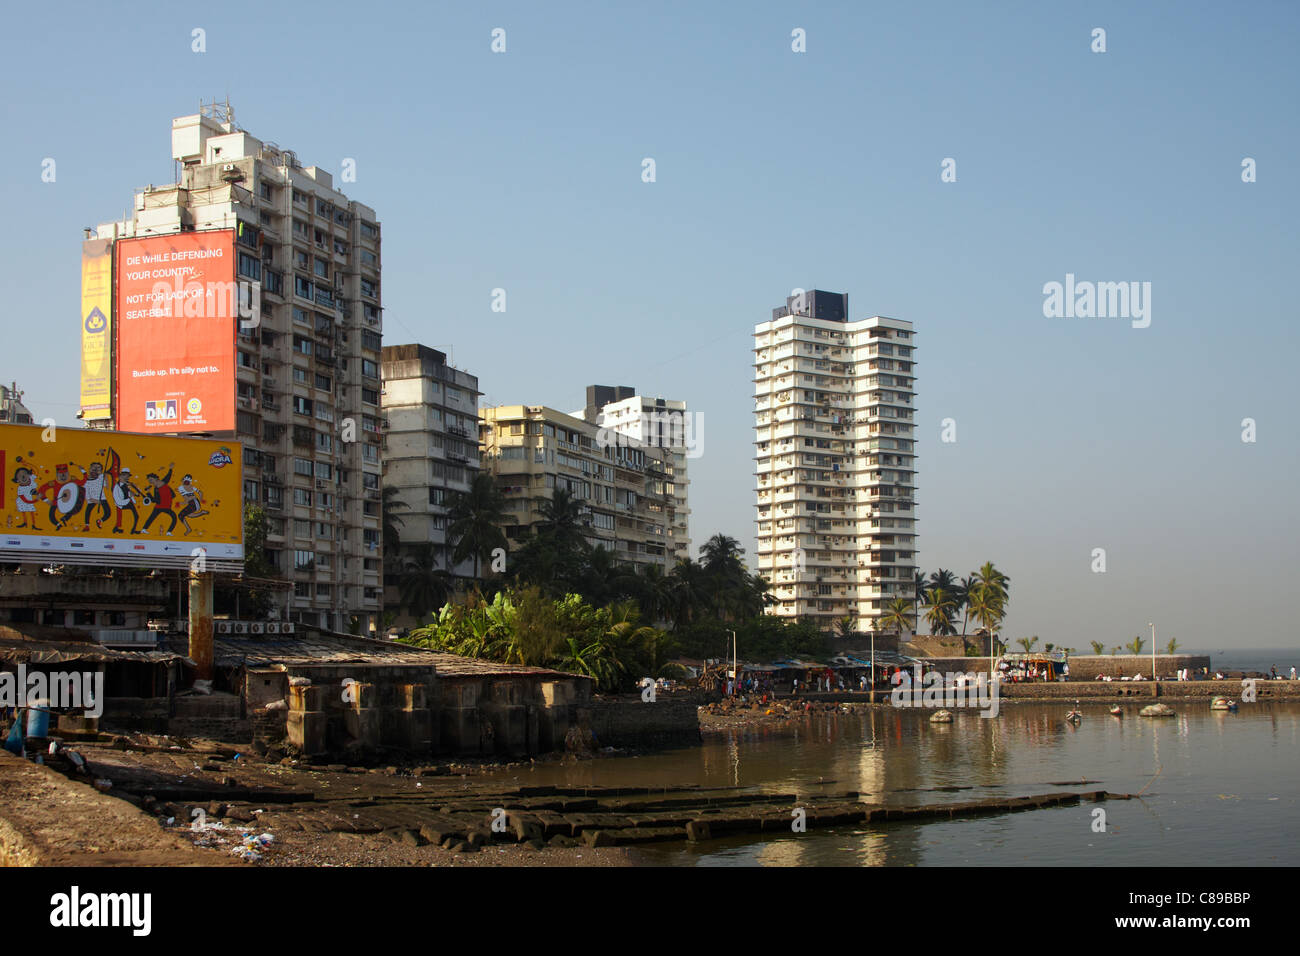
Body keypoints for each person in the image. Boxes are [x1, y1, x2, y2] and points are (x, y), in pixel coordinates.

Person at [141, 463, 178, 534]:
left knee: (174, 518)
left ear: (156, 478)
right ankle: (144, 529)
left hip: (167, 506)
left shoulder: (163, 482)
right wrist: (148, 494)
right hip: (159, 507)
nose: (151, 482)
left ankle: (169, 532)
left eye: (151, 480)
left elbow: (168, 476)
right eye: (149, 481)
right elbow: (155, 500)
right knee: (151, 518)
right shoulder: (156, 489)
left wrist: (170, 469)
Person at [112, 468, 143, 534]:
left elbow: (132, 493)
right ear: (120, 477)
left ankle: (133, 530)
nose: (126, 478)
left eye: (127, 477)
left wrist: (136, 490)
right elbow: (118, 500)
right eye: (124, 476)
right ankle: (118, 529)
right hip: (121, 504)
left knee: (136, 516)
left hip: (127, 502)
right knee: (132, 516)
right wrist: (130, 498)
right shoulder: (116, 487)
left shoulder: (126, 486)